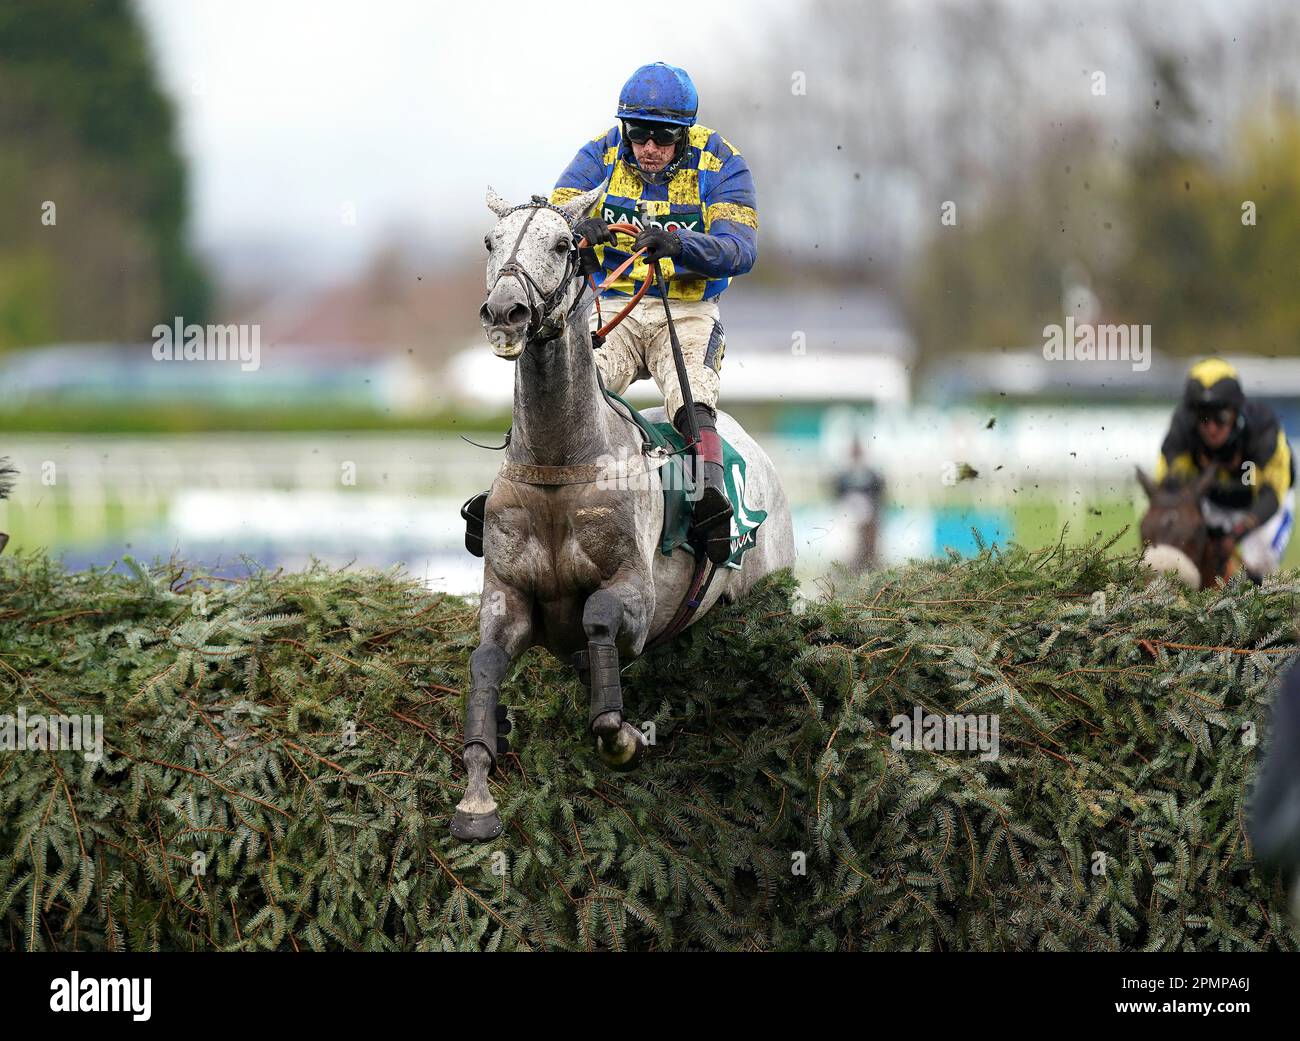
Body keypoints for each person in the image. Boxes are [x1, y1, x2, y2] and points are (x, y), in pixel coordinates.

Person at [463, 62, 758, 566]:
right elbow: (550, 234)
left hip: (685, 309)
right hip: (613, 308)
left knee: (692, 398)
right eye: (638, 133)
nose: (648, 148)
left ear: (684, 133)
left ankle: (711, 502)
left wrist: (680, 243)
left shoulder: (722, 162)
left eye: (662, 137)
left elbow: (741, 249)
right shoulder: (597, 155)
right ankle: (505, 492)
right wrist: (584, 236)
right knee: (563, 390)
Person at [1155, 358, 1294, 582]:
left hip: (1262, 504)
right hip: (1212, 501)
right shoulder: (1180, 434)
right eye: (1204, 417)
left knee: (1258, 561)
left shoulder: (1263, 429)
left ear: (1236, 413)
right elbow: (1170, 490)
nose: (1211, 428)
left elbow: (1271, 495)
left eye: (1221, 417)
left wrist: (1235, 534)